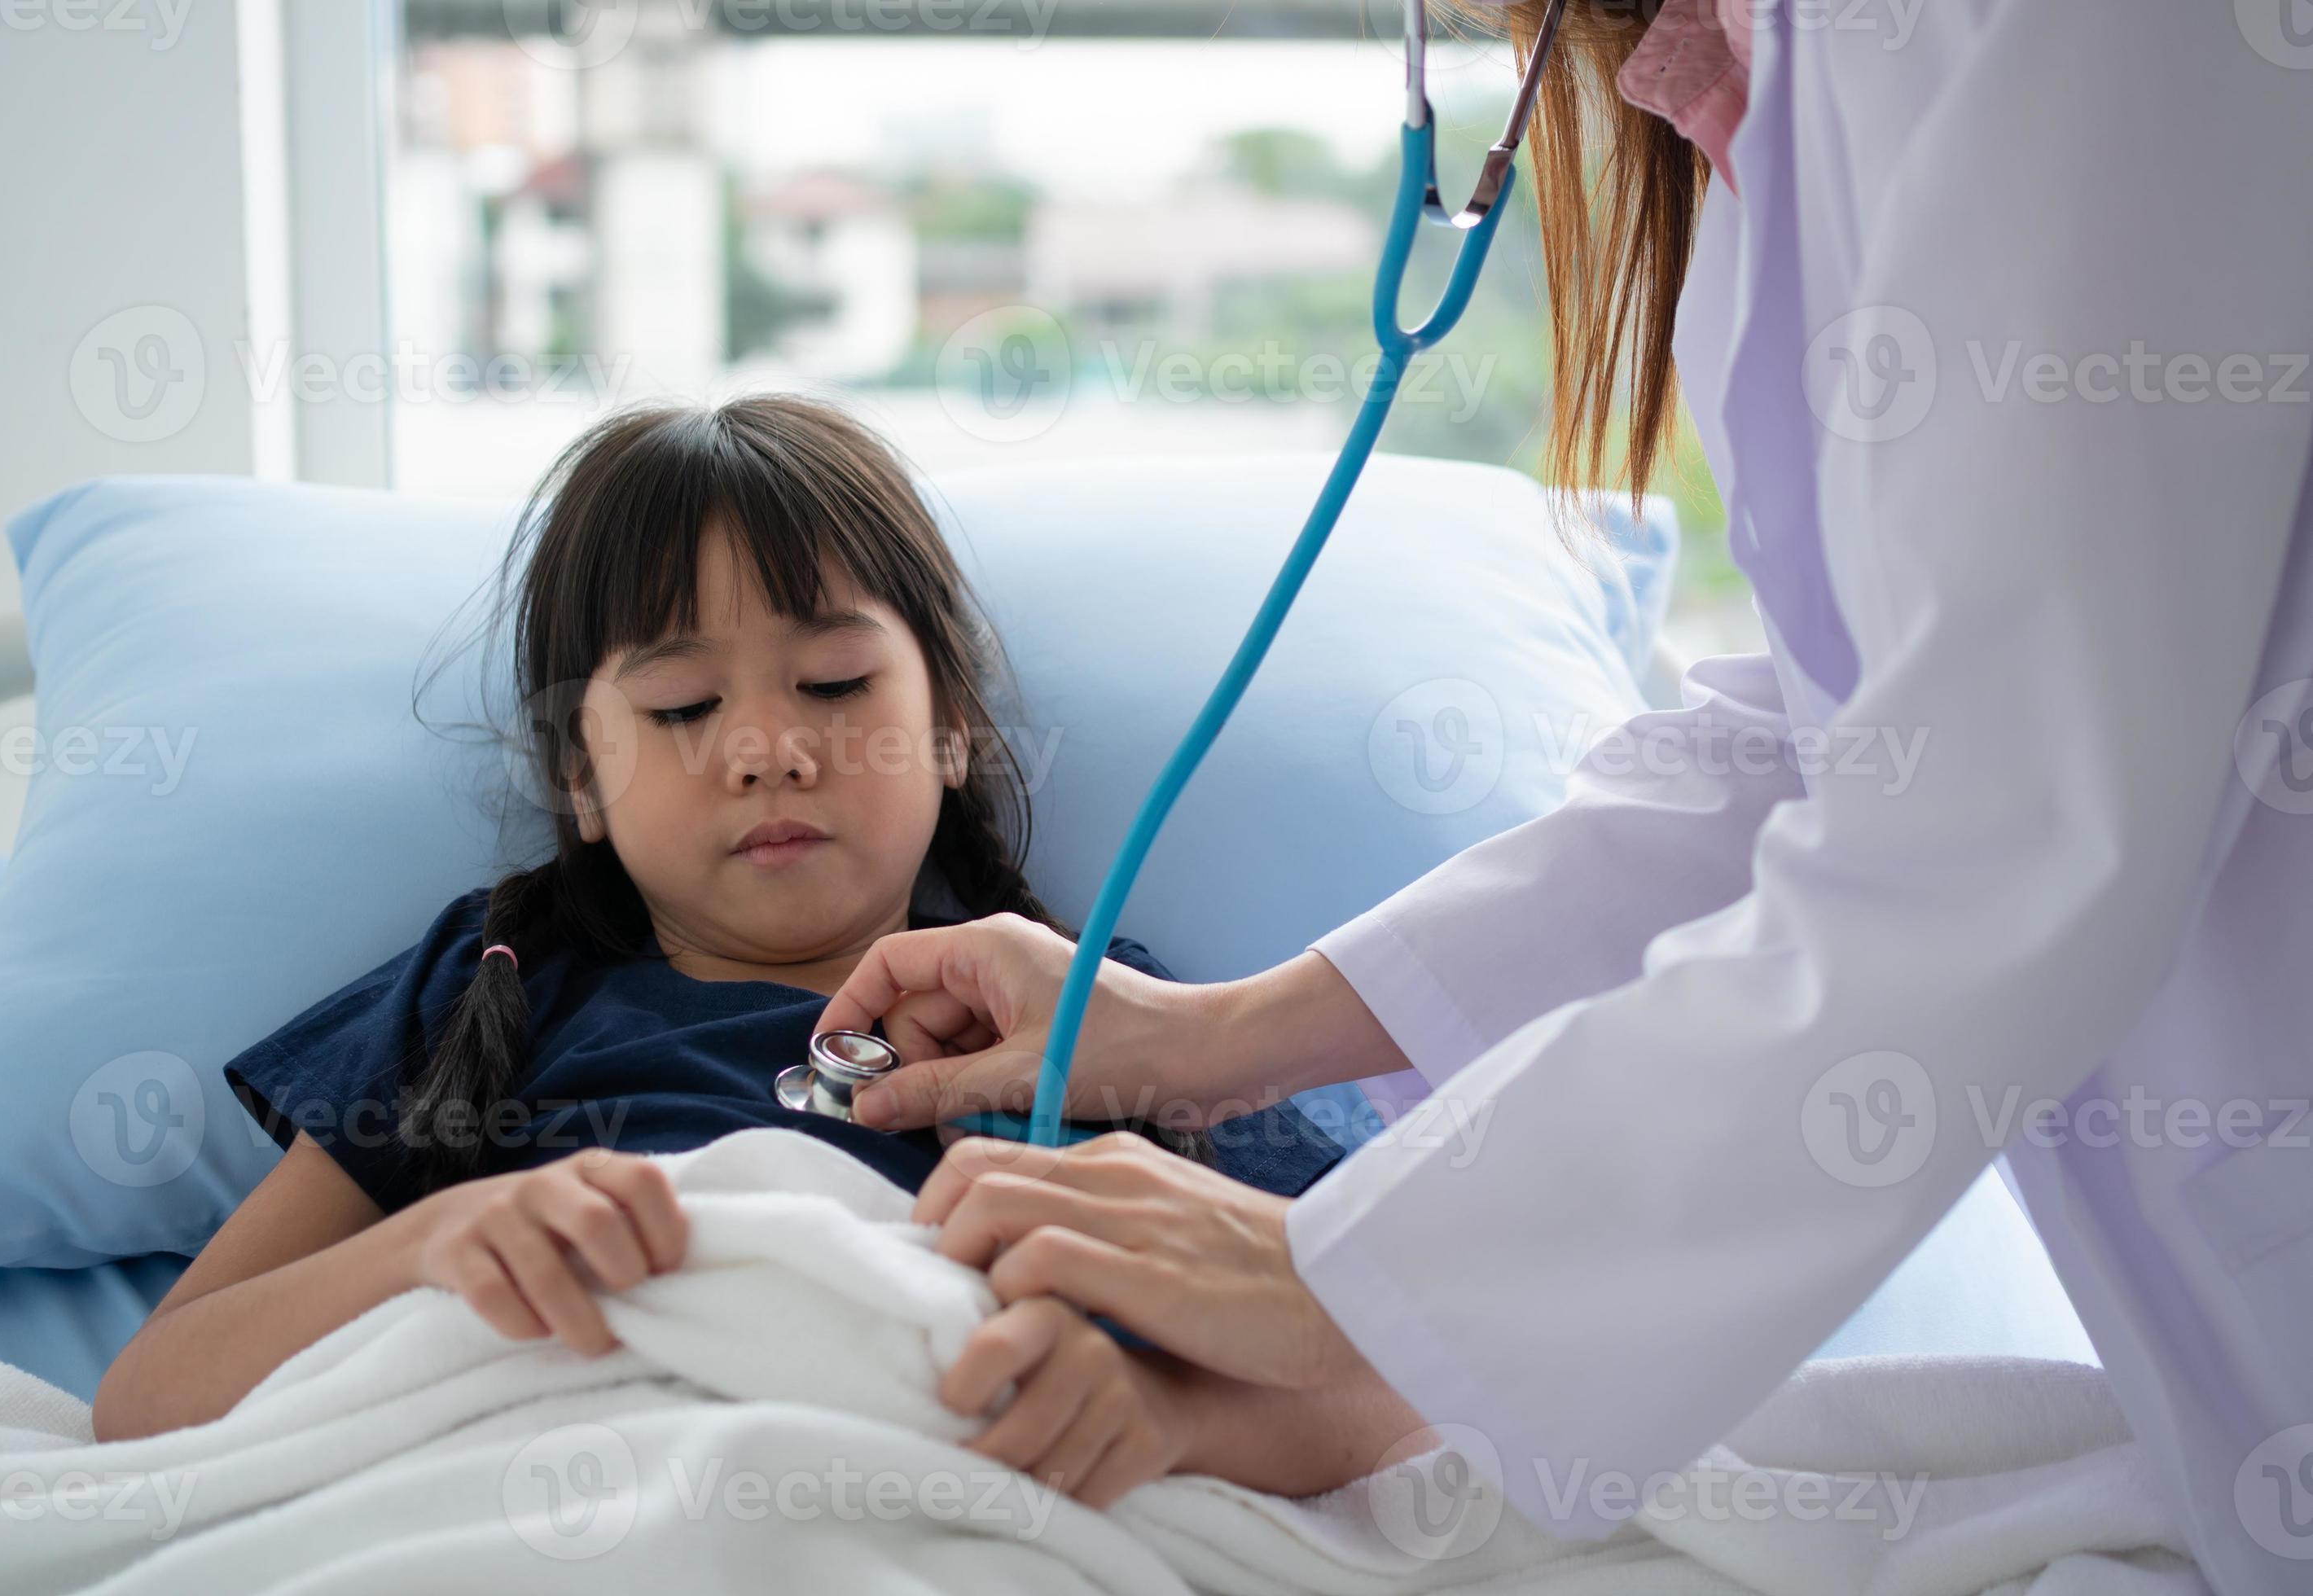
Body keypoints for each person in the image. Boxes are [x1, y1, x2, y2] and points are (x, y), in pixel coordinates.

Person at [813, 5, 2313, 1591]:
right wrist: (1213, 1033)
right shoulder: (1771, 80)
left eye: (832, 682)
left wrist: (1349, 1278)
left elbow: (2005, 819)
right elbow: (1840, 734)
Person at [93, 397, 1424, 1509]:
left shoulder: (1107, 1020)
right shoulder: (490, 994)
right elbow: (151, 1400)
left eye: (836, 687)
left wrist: (1173, 1417)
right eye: (681, 706)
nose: (767, 747)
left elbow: (1399, 1384)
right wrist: (442, 1240)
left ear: (950, 725)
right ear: (581, 779)